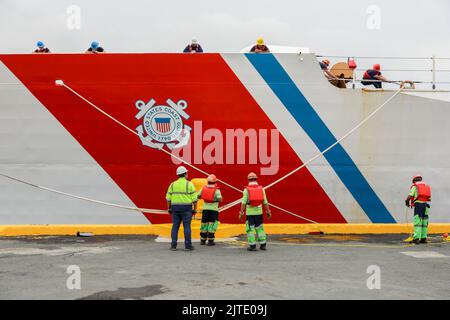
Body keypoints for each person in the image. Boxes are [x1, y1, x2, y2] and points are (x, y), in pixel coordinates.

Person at [166, 166, 198, 251]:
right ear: (185, 174)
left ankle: (173, 246)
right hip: (187, 208)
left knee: (175, 226)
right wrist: (195, 209)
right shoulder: (189, 184)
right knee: (187, 227)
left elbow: (168, 198)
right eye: (187, 173)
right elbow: (195, 199)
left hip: (175, 208)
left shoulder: (172, 184)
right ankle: (188, 246)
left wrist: (169, 208)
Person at [239, 172, 271, 251]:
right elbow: (265, 202)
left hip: (250, 213)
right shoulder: (262, 189)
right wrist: (268, 212)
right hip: (259, 213)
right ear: (256, 179)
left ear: (248, 180)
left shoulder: (246, 190)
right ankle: (263, 245)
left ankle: (252, 246)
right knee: (260, 228)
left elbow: (243, 203)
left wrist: (241, 213)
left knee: (250, 229)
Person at [405, 175, 431, 244]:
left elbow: (410, 196)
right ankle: (423, 238)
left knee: (417, 221)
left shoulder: (415, 186)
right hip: (425, 205)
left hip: (418, 205)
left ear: (414, 181)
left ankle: (416, 239)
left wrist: (407, 202)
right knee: (424, 222)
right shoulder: (425, 186)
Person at [198, 174, 223, 246]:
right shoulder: (217, 190)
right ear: (215, 182)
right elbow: (220, 199)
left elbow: (198, 196)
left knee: (204, 224)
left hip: (205, 209)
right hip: (213, 209)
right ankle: (210, 241)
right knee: (212, 224)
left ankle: (202, 240)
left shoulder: (203, 188)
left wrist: (205, 196)